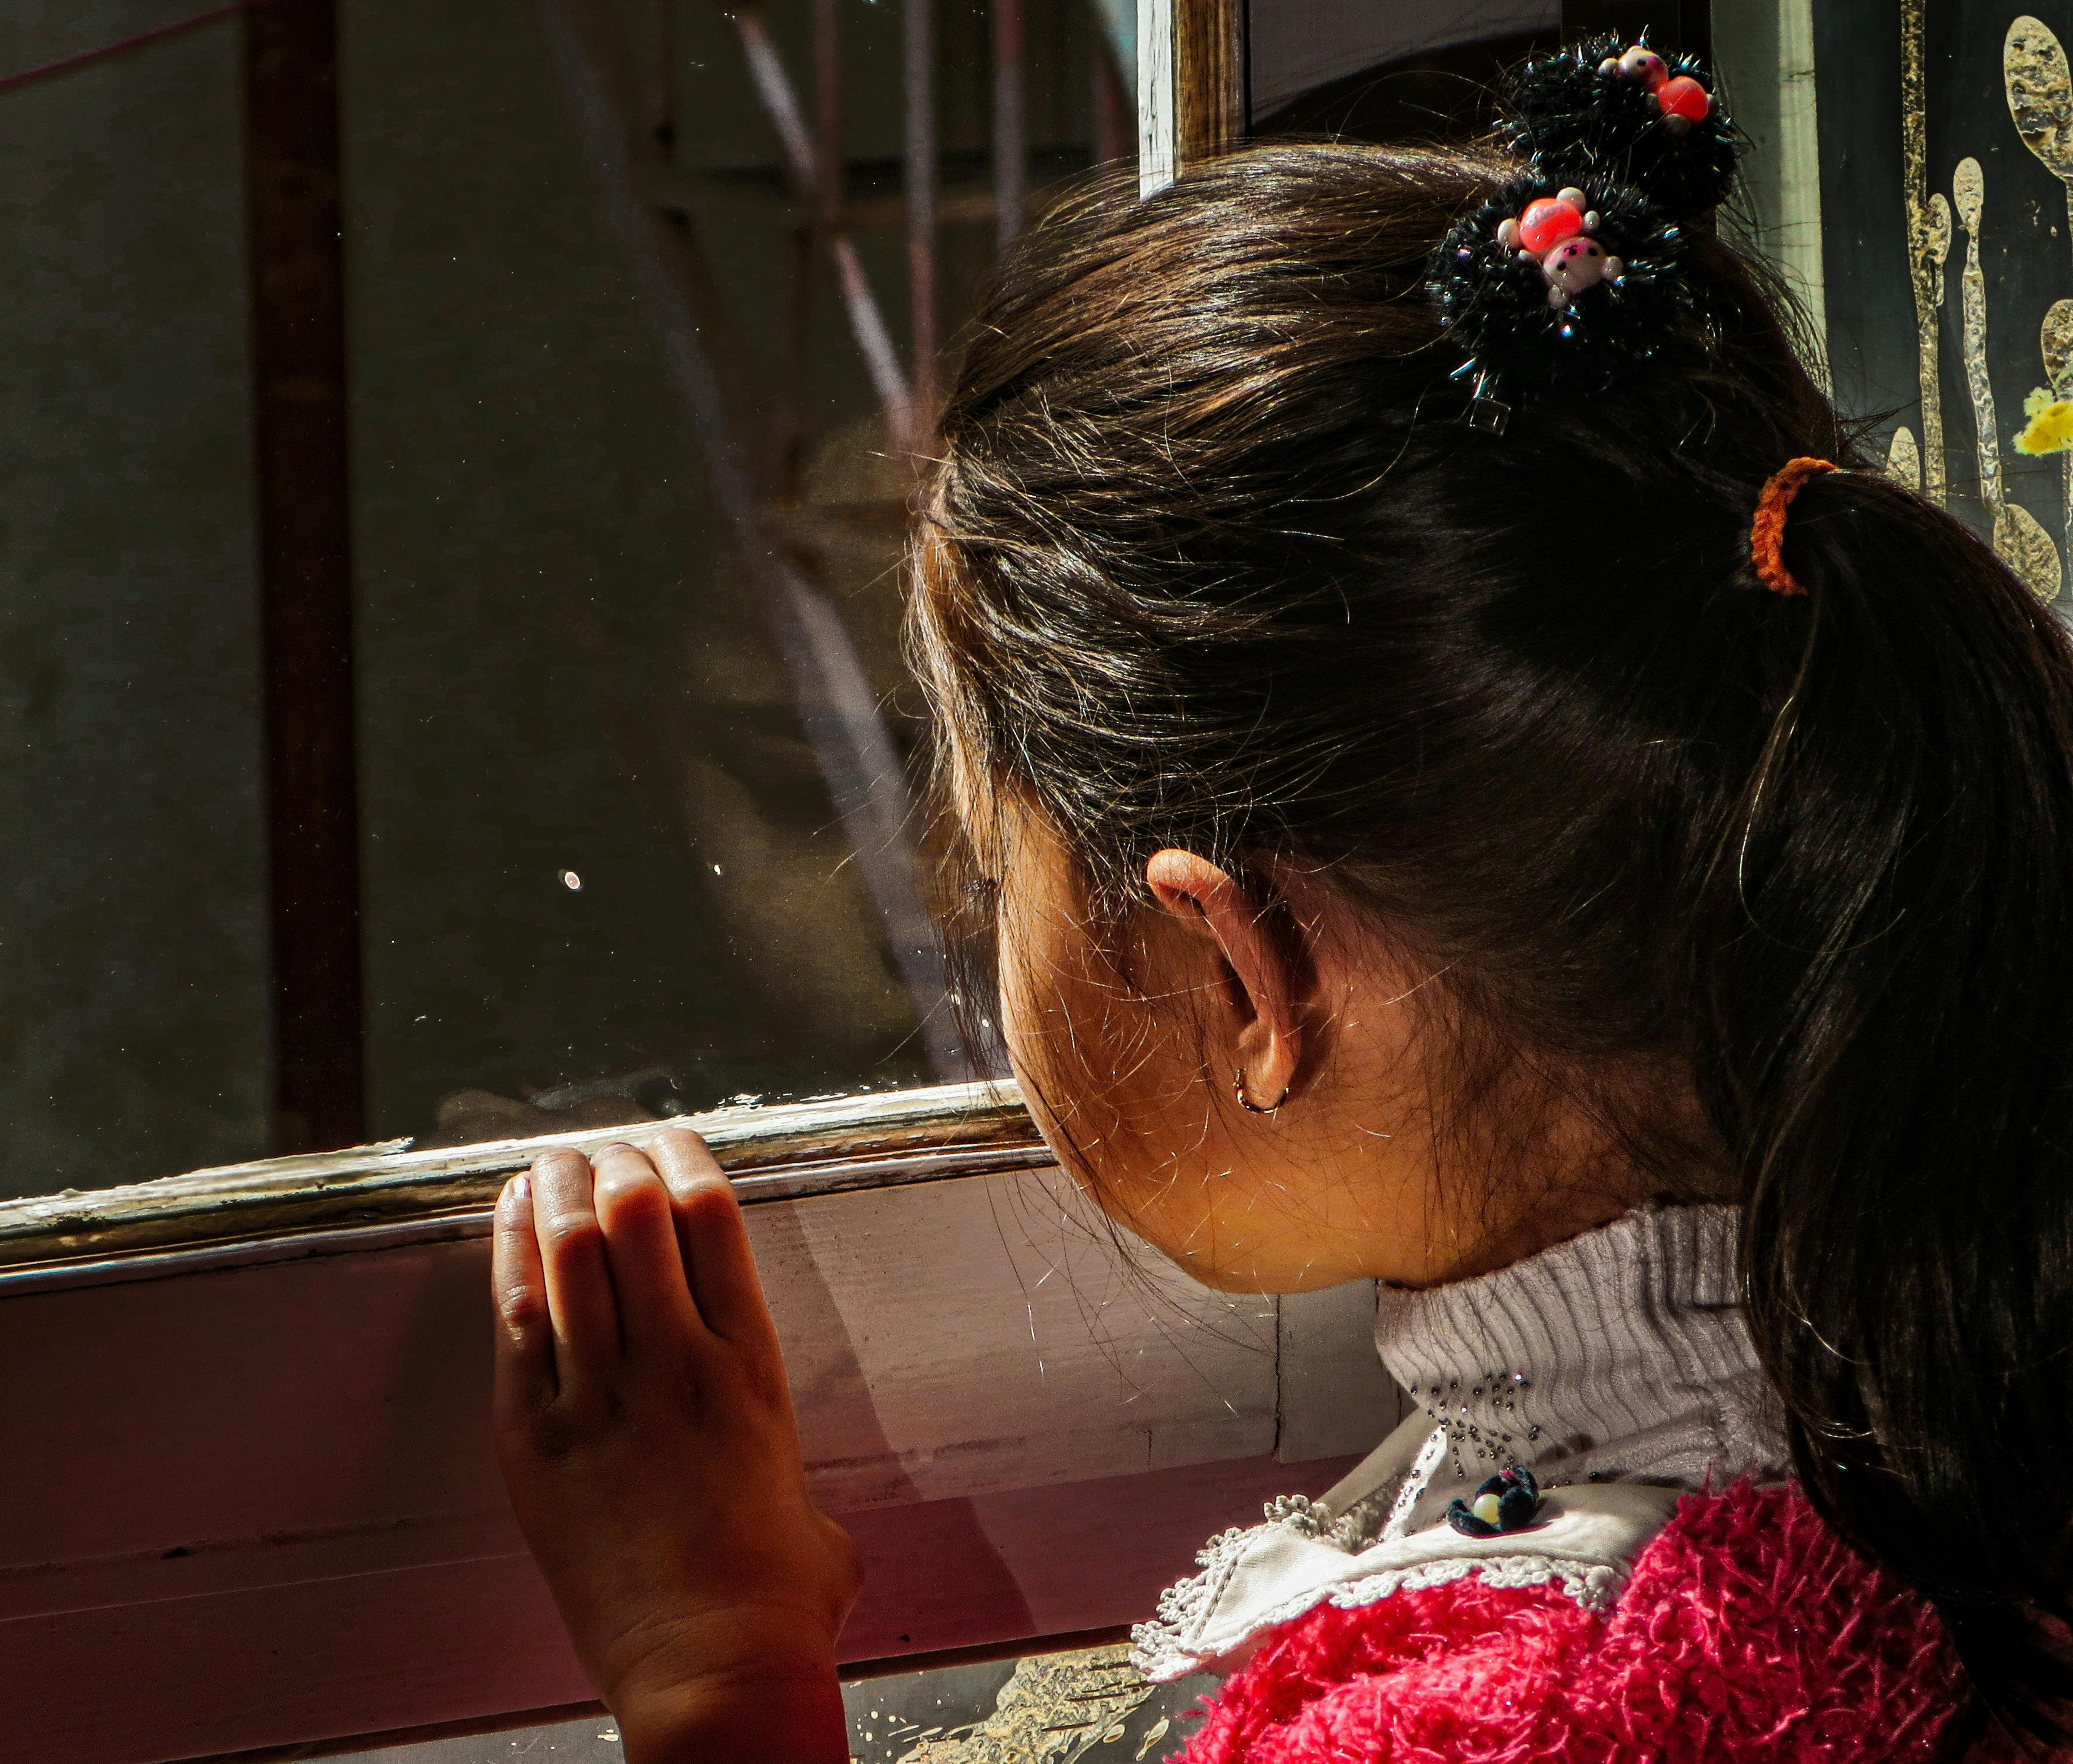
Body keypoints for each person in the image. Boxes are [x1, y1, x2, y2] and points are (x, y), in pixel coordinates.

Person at [485, 37, 2073, 1763]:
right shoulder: (1937, 1395)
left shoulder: (1516, 1718)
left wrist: (713, 1674)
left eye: (996, 847)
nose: (958, 918)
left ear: (1243, 978)